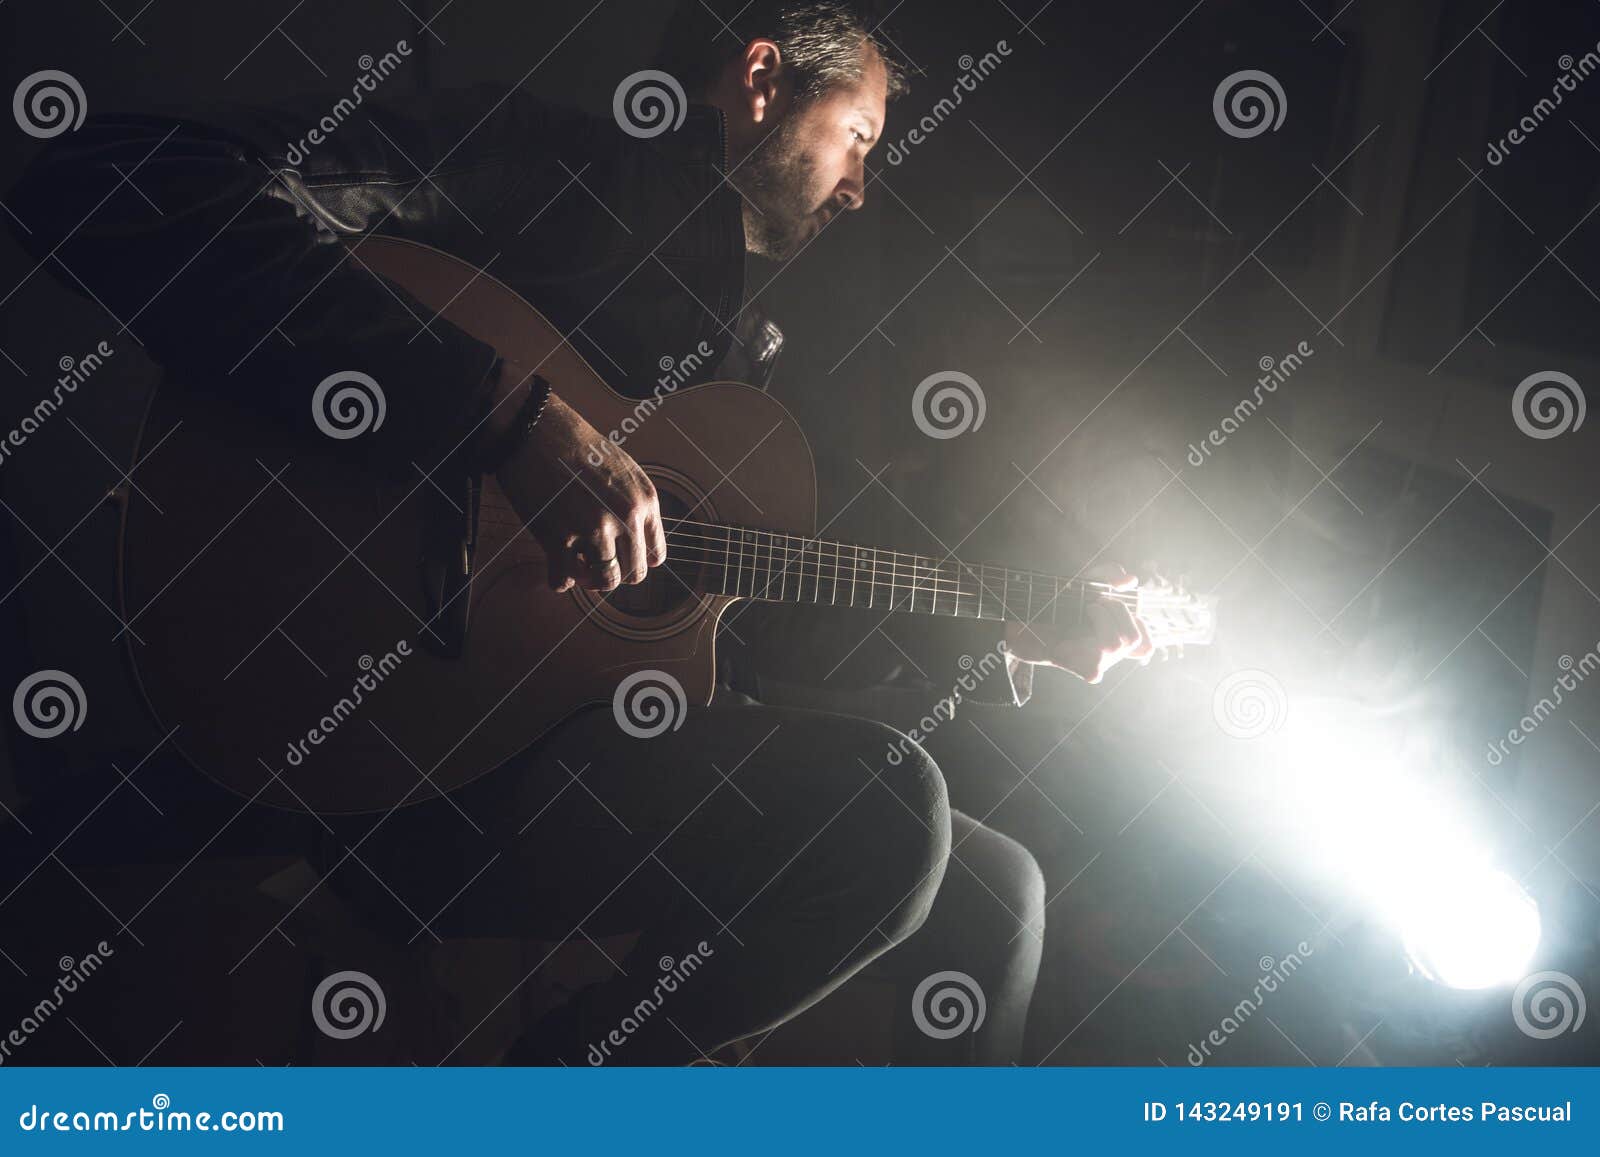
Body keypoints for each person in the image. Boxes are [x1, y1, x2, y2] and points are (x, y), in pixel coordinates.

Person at [8, 1, 1152, 1064]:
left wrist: (1008, 638)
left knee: (998, 892)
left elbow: (751, 653)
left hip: (560, 738)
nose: (860, 188)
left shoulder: (732, 367)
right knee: (879, 805)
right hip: (400, 745)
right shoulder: (547, 165)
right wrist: (502, 417)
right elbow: (115, 176)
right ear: (759, 78)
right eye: (856, 133)